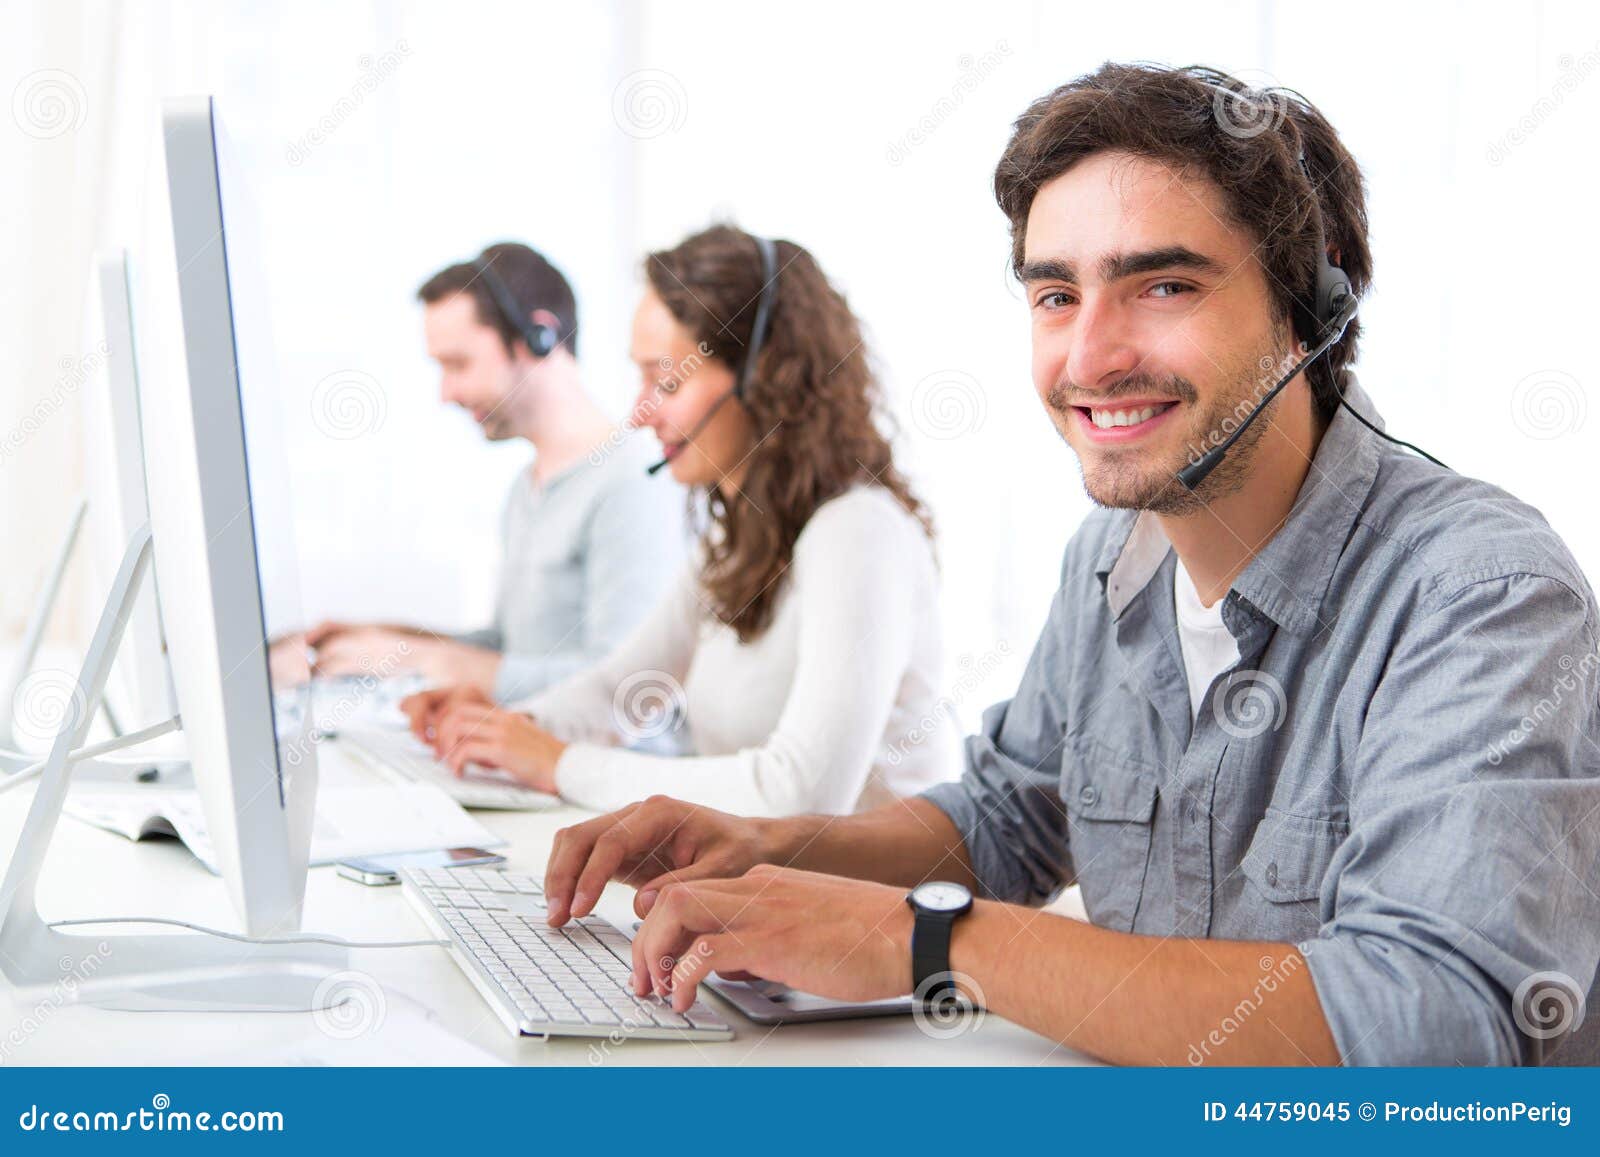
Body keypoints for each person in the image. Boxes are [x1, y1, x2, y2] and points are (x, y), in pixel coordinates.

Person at [534, 65, 1600, 1066]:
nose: (1087, 358)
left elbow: (1439, 1019)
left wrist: (935, 942)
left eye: (1164, 285)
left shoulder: (1478, 591)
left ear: (1310, 317)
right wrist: (767, 841)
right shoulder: (1115, 551)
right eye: (1054, 295)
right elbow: (1004, 816)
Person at [403, 226, 959, 816]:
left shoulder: (857, 533)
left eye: (665, 381)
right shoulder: (739, 535)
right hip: (767, 888)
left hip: (869, 904)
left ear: (764, 377)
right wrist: (505, 728)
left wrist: (558, 762)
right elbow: (623, 689)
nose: (640, 414)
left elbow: (801, 795)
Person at [294, 243, 685, 703]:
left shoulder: (633, 483)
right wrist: (393, 642)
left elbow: (627, 688)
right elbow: (512, 651)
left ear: (539, 337)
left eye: (458, 364)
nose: (446, 393)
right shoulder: (527, 489)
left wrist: (430, 661)